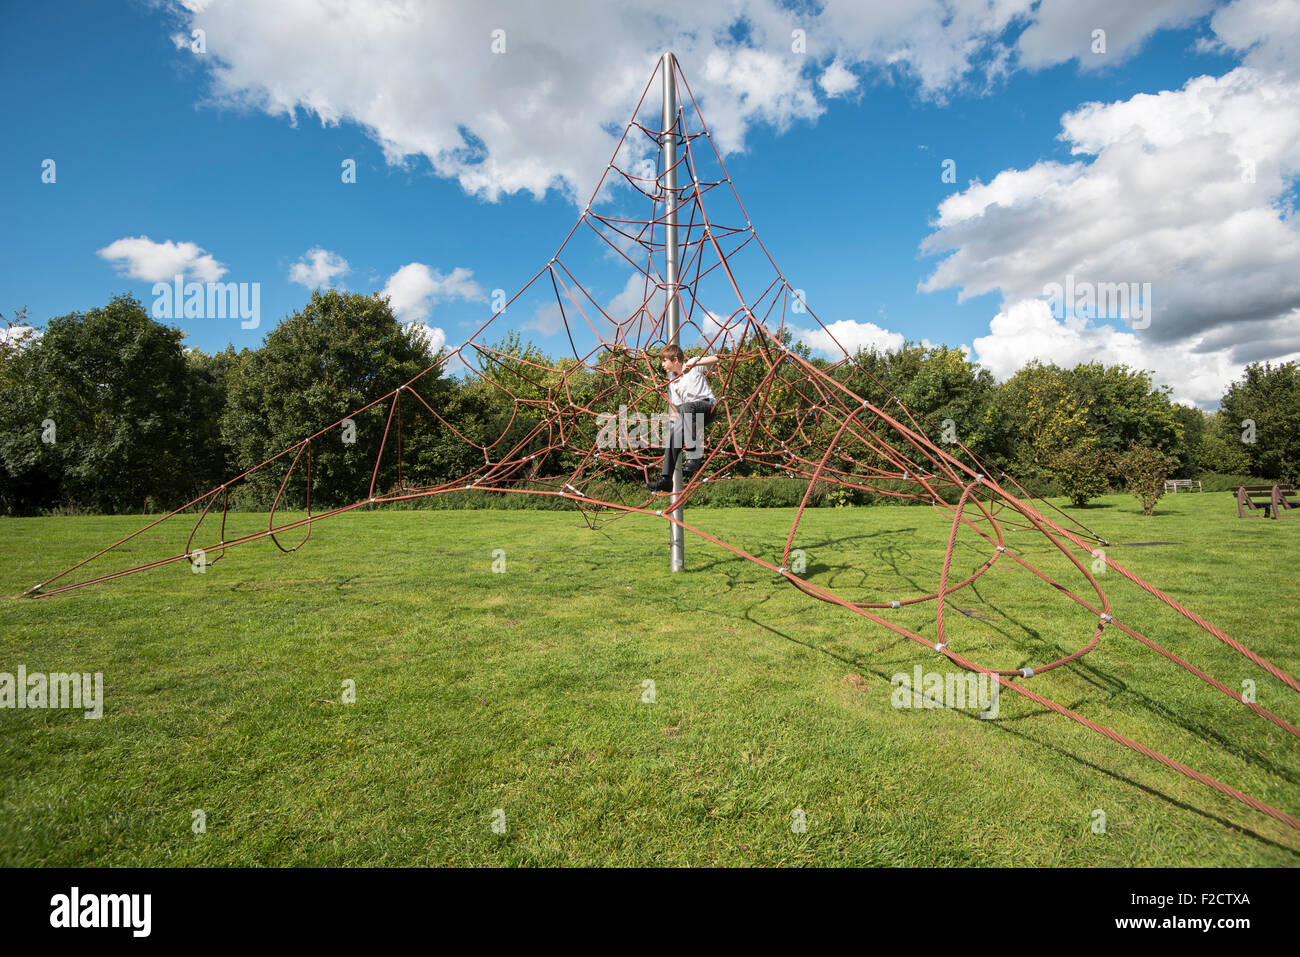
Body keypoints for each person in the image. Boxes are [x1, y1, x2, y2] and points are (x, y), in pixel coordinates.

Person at [644, 346, 719, 492]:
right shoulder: (673, 381)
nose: (663, 365)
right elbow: (679, 409)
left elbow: (716, 359)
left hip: (707, 407)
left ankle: (694, 454)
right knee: (673, 435)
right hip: (690, 415)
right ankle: (666, 480)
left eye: (664, 361)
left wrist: (695, 363)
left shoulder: (692, 365)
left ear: (675, 360)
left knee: (687, 407)